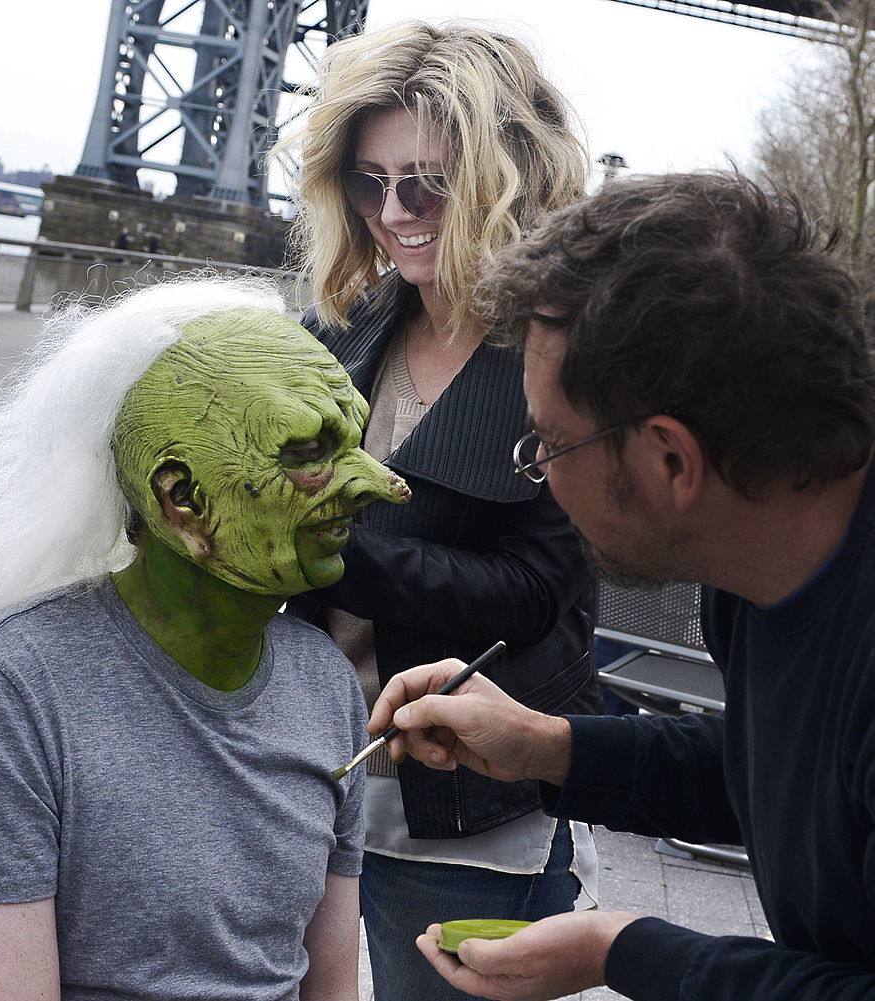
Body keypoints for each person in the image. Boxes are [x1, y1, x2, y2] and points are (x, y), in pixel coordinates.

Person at [370, 171, 875, 1000]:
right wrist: (546, 745)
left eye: (550, 445)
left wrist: (621, 949)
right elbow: (780, 773)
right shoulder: (759, 567)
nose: (536, 473)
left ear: (672, 459)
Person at [0, 278, 413, 1000]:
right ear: (180, 498)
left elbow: (328, 987)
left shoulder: (323, 682)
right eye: (309, 450)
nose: (378, 483)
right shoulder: (6, 689)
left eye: (356, 438)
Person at [277, 20, 606, 999]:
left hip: (468, 810)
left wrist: (330, 534)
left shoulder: (574, 356)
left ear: (507, 174)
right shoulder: (335, 331)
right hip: (303, 780)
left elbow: (535, 591)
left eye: (423, 180)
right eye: (368, 182)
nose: (392, 210)